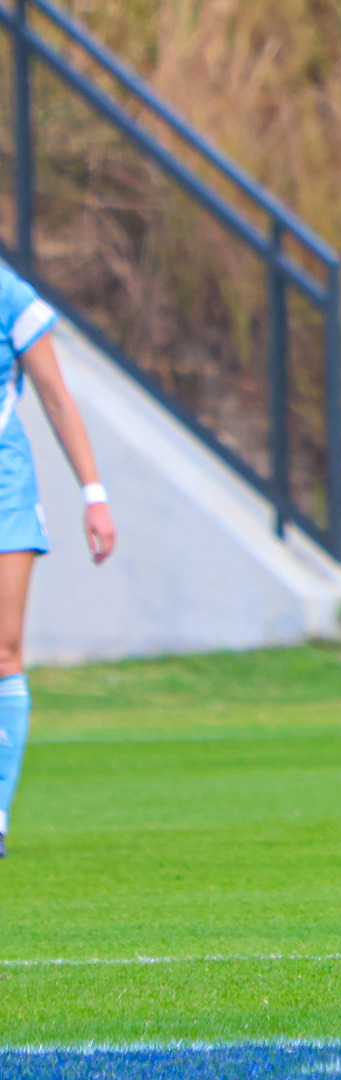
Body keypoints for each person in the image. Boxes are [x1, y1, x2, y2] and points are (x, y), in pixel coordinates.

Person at [0, 263, 117, 858]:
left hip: (5, 493)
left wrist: (93, 494)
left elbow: (56, 397)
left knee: (3, 649)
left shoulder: (7, 293)